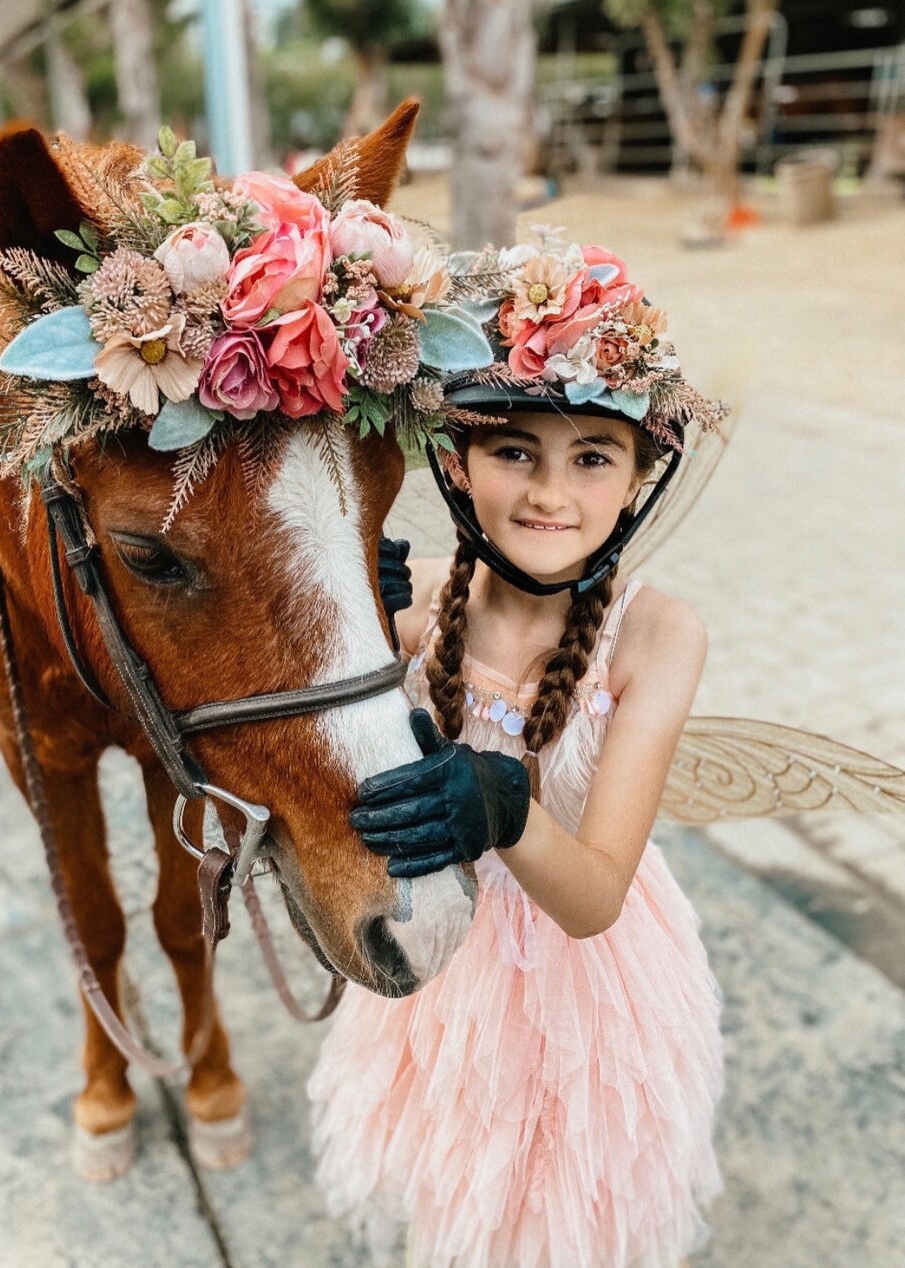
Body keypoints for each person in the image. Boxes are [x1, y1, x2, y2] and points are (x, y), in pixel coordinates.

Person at [308, 237, 727, 1268]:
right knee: (456, 1180)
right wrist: (353, 628)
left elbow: (591, 900)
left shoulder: (657, 635)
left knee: (566, 1212)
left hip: (596, 983)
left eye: (593, 455)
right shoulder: (424, 609)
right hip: (447, 955)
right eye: (515, 451)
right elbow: (331, 780)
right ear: (454, 462)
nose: (551, 491)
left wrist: (505, 802)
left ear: (634, 481)